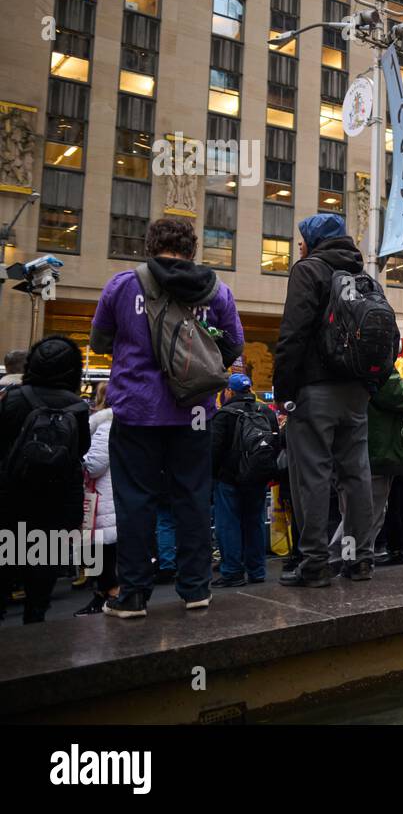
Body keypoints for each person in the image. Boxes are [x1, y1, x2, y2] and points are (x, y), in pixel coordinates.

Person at [91, 218, 243, 617]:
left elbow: (100, 340)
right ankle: (195, 590)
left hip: (135, 409)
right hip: (193, 412)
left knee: (135, 501)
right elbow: (235, 344)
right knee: (192, 499)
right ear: (192, 249)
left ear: (149, 245)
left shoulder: (123, 285)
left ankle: (133, 595)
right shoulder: (216, 290)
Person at [272, 213, 381, 586]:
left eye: (302, 238)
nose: (299, 244)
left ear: (314, 240)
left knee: (312, 475)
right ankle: (359, 559)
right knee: (356, 475)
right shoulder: (364, 277)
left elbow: (293, 335)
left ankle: (315, 564)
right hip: (356, 392)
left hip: (315, 390)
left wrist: (283, 392)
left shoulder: (309, 270)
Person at [0, 337, 91, 624]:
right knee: (41, 583)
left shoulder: (14, 398)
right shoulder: (78, 407)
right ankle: (35, 638)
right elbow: (82, 450)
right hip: (56, 503)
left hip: (11, 498)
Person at [330, 370, 403, 570]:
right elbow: (394, 393)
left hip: (348, 446)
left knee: (354, 510)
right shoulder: (375, 360)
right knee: (366, 511)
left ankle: (345, 558)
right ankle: (344, 560)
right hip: (373, 449)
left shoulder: (343, 364)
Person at [210, 374, 278, 587]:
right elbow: (276, 442)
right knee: (255, 523)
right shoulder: (265, 411)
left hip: (229, 479)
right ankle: (257, 571)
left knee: (228, 524)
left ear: (229, 391)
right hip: (257, 478)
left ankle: (232, 572)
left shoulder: (224, 414)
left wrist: (212, 476)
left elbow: (214, 450)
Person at [76, 382, 118, 615]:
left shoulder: (105, 426)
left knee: (100, 550)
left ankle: (110, 594)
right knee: (104, 550)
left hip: (102, 496)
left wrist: (78, 460)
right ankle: (104, 594)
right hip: (112, 495)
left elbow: (94, 465)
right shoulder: (121, 423)